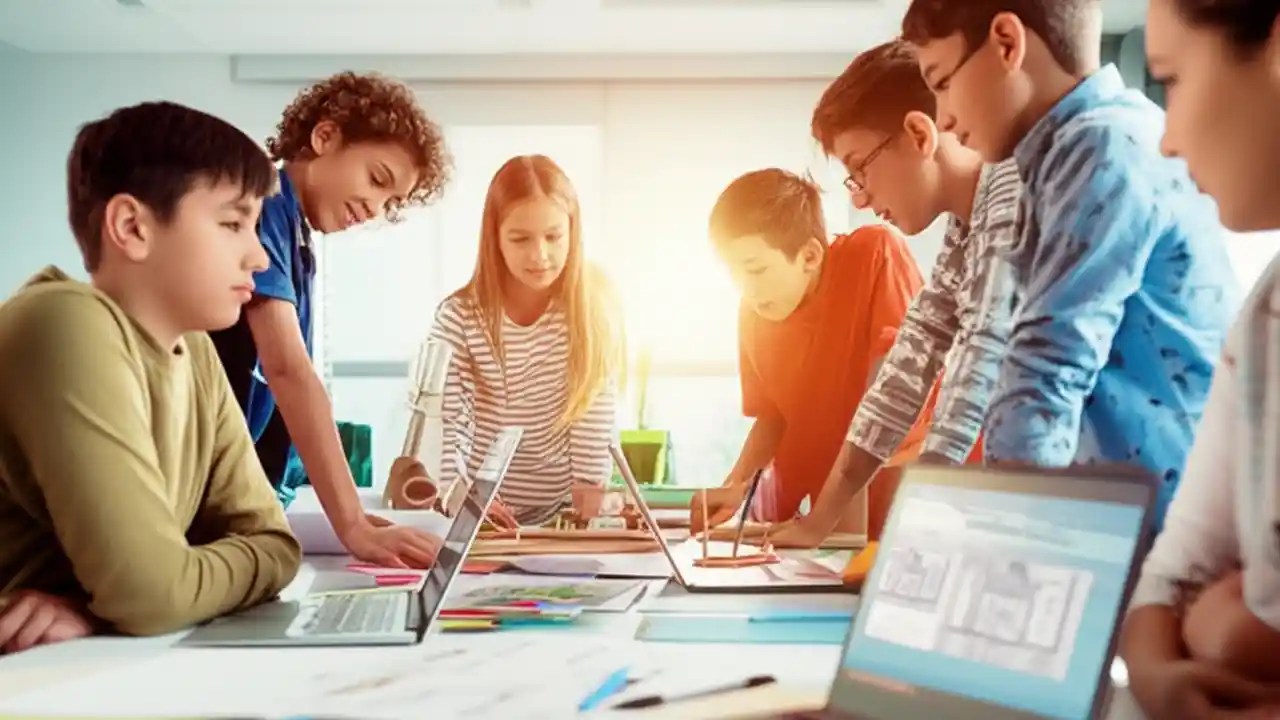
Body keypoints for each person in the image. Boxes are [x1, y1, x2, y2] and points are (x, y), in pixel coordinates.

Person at [901, 0, 1238, 526]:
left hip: (1169, 537)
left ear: (1007, 44)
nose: (943, 116)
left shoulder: (1099, 144)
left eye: (942, 81)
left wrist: (997, 539)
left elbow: (1044, 371)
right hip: (1139, 526)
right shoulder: (1060, 156)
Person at [0, 101, 302, 654]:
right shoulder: (60, 322)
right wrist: (137, 593)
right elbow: (152, 596)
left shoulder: (198, 355)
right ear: (132, 227)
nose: (259, 256)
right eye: (232, 223)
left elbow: (277, 545)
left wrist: (119, 598)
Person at [769, 39, 1022, 547]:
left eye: (860, 167)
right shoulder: (964, 230)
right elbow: (905, 373)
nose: (860, 197)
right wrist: (819, 521)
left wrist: (920, 532)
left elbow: (976, 371)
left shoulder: (1014, 188)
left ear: (917, 133)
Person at [210, 72, 450, 568]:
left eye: (391, 202)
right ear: (325, 137)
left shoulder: (297, 237)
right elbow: (288, 371)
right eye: (377, 179)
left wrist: (348, 513)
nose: (375, 208)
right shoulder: (266, 206)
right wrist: (352, 523)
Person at [1121, 0, 1280, 716]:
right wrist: (1162, 674)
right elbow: (1176, 570)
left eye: (1173, 79)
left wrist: (1233, 630)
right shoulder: (1266, 312)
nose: (1167, 140)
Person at [693, 168, 926, 533]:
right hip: (821, 527)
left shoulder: (874, 254)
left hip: (907, 507)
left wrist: (831, 517)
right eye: (733, 273)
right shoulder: (753, 312)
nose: (746, 289)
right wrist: (734, 488)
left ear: (810, 256)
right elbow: (772, 419)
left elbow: (894, 392)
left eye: (755, 269)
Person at [418, 155, 625, 527]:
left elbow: (593, 414)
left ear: (573, 233)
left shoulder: (592, 310)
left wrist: (591, 496)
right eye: (520, 239)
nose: (540, 255)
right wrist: (460, 495)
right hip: (478, 511)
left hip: (560, 514)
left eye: (553, 236)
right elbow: (451, 419)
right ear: (495, 238)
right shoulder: (459, 317)